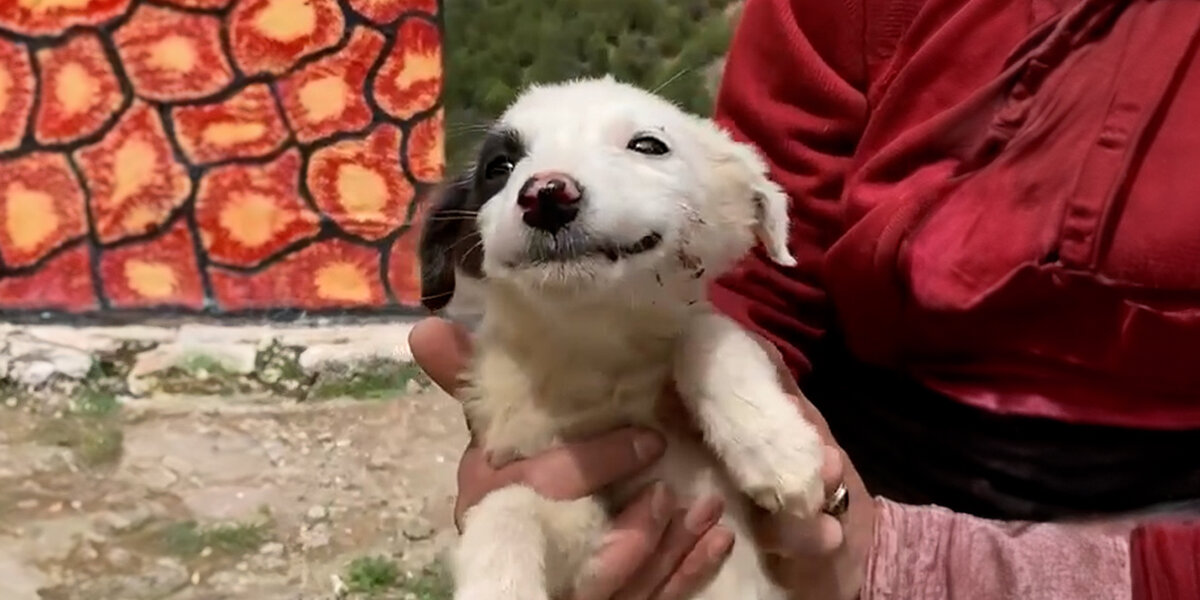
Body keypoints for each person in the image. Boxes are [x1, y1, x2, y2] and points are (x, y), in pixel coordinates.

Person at [410, 0, 1200, 597]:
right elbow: (764, 279)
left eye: (644, 148)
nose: (548, 190)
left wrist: (912, 561)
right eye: (504, 173)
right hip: (848, 464)